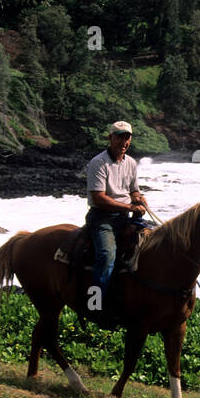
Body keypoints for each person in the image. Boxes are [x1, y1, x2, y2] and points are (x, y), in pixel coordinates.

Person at [84, 121, 148, 312]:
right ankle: (94, 305)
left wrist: (140, 200)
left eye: (127, 137)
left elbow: (134, 190)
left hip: (124, 216)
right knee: (106, 257)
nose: (124, 141)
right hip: (102, 218)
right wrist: (130, 206)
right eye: (120, 136)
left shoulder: (130, 163)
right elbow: (99, 198)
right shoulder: (98, 162)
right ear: (110, 138)